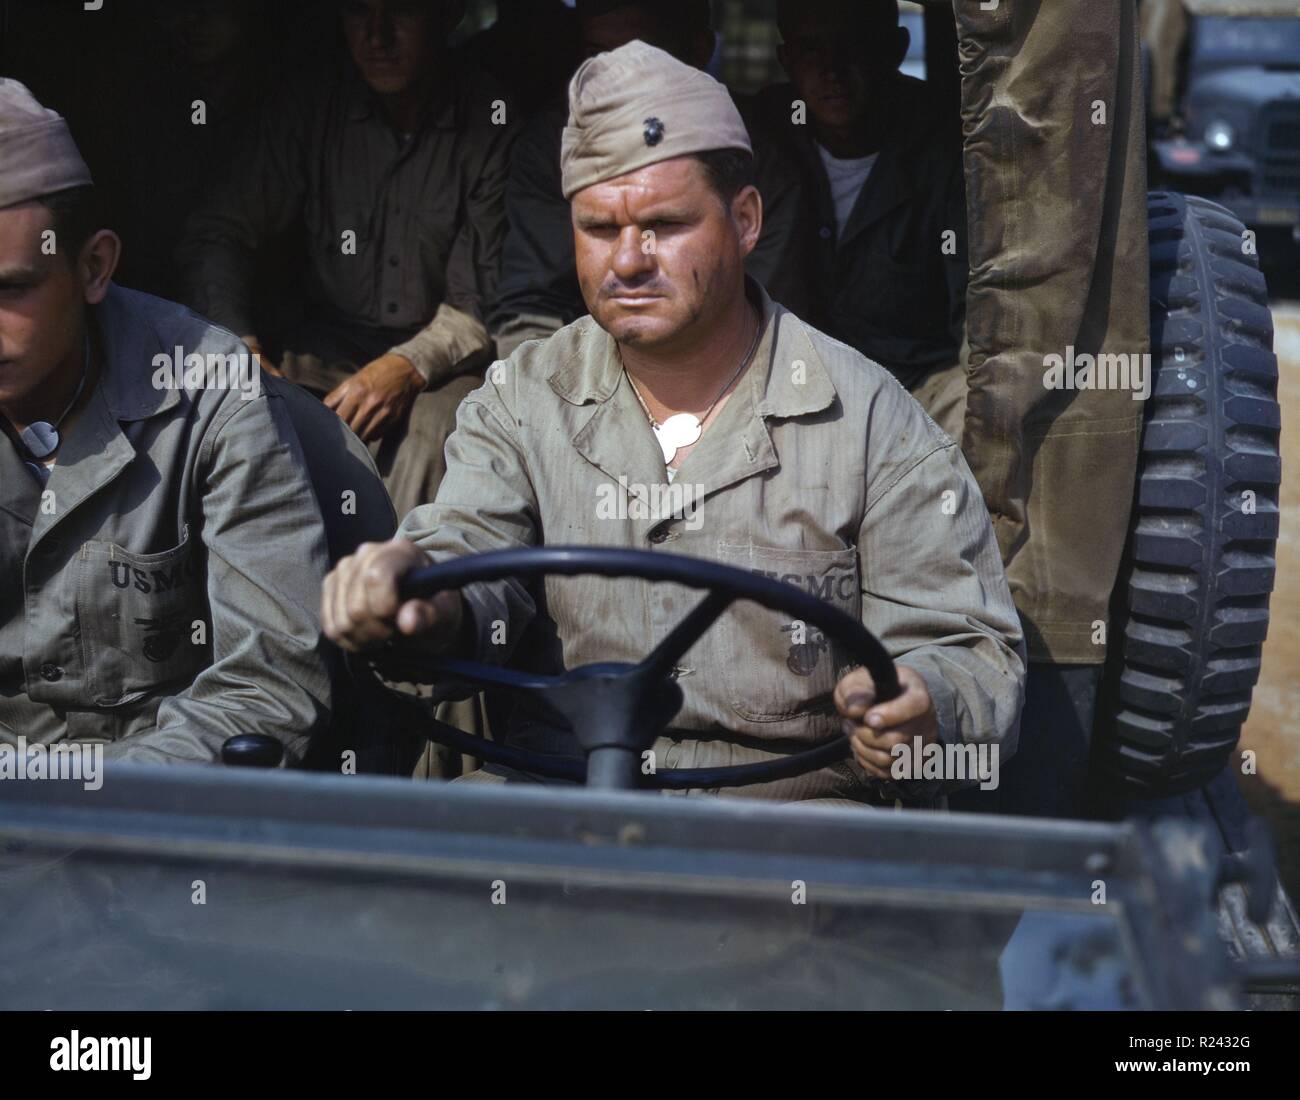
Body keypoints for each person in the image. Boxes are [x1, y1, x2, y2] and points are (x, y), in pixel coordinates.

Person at [322, 42, 1026, 805]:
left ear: (746, 220)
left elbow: (968, 650)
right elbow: (470, 551)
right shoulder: (522, 400)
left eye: (663, 223)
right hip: (558, 794)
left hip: (793, 821)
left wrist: (928, 705)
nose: (627, 261)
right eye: (598, 228)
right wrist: (421, 599)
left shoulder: (870, 420)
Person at [0, 80, 332, 764]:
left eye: (9, 290)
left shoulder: (211, 396)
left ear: (93, 266)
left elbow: (270, 691)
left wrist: (82, 801)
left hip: (162, 824)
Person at [176, 0, 518, 517]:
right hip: (323, 341)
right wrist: (241, 347)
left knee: (433, 436)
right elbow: (218, 230)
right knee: (238, 412)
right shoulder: (312, 105)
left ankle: (391, 588)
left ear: (446, 17)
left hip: (444, 360)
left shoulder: (490, 119)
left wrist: (405, 366)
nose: (376, 37)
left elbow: (477, 302)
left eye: (401, 12)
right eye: (359, 12)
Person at [488, 0, 814, 360]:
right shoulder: (552, 145)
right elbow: (531, 312)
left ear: (698, 52)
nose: (617, 76)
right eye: (598, 56)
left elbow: (764, 326)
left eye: (668, 222)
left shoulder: (752, 159)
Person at [758, 0, 969, 438]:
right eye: (812, 49)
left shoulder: (948, 141)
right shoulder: (764, 135)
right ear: (787, 60)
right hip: (791, 385)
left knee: (973, 410)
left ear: (894, 48)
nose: (832, 69)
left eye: (853, 44)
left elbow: (977, 311)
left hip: (916, 384)